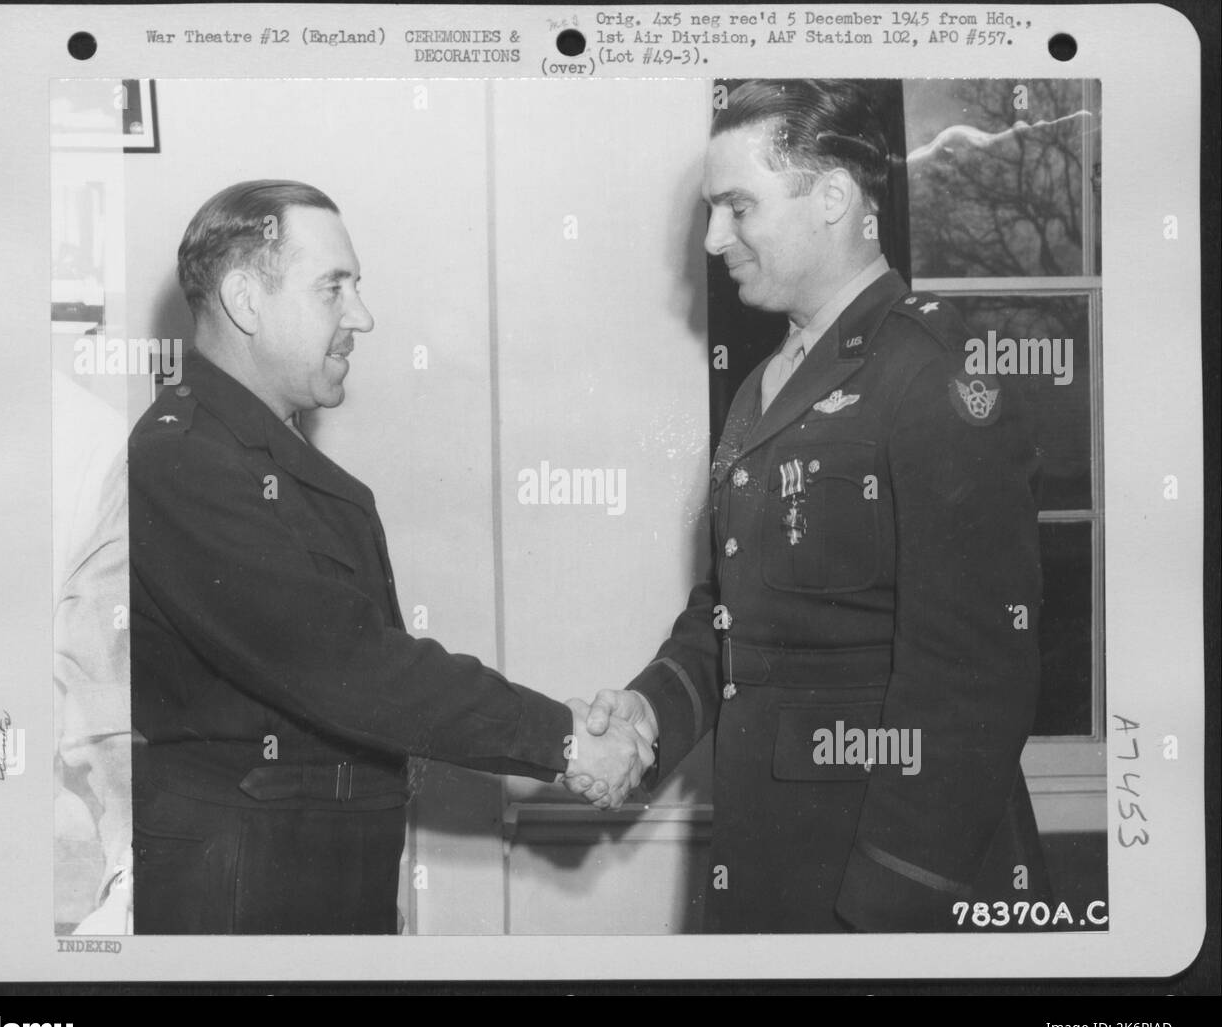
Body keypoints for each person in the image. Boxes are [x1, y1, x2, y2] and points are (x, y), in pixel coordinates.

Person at [575, 80, 1051, 933]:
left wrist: (887, 904)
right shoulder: (764, 386)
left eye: (737, 207)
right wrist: (650, 711)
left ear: (833, 198)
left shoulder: (936, 374)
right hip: (770, 860)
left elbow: (976, 674)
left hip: (888, 882)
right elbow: (730, 614)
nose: (715, 237)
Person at [129, 180, 651, 935]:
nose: (362, 318)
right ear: (246, 299)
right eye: (333, 288)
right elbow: (345, 665)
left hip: (314, 869)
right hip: (241, 890)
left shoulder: (254, 448)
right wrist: (563, 737)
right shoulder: (184, 457)